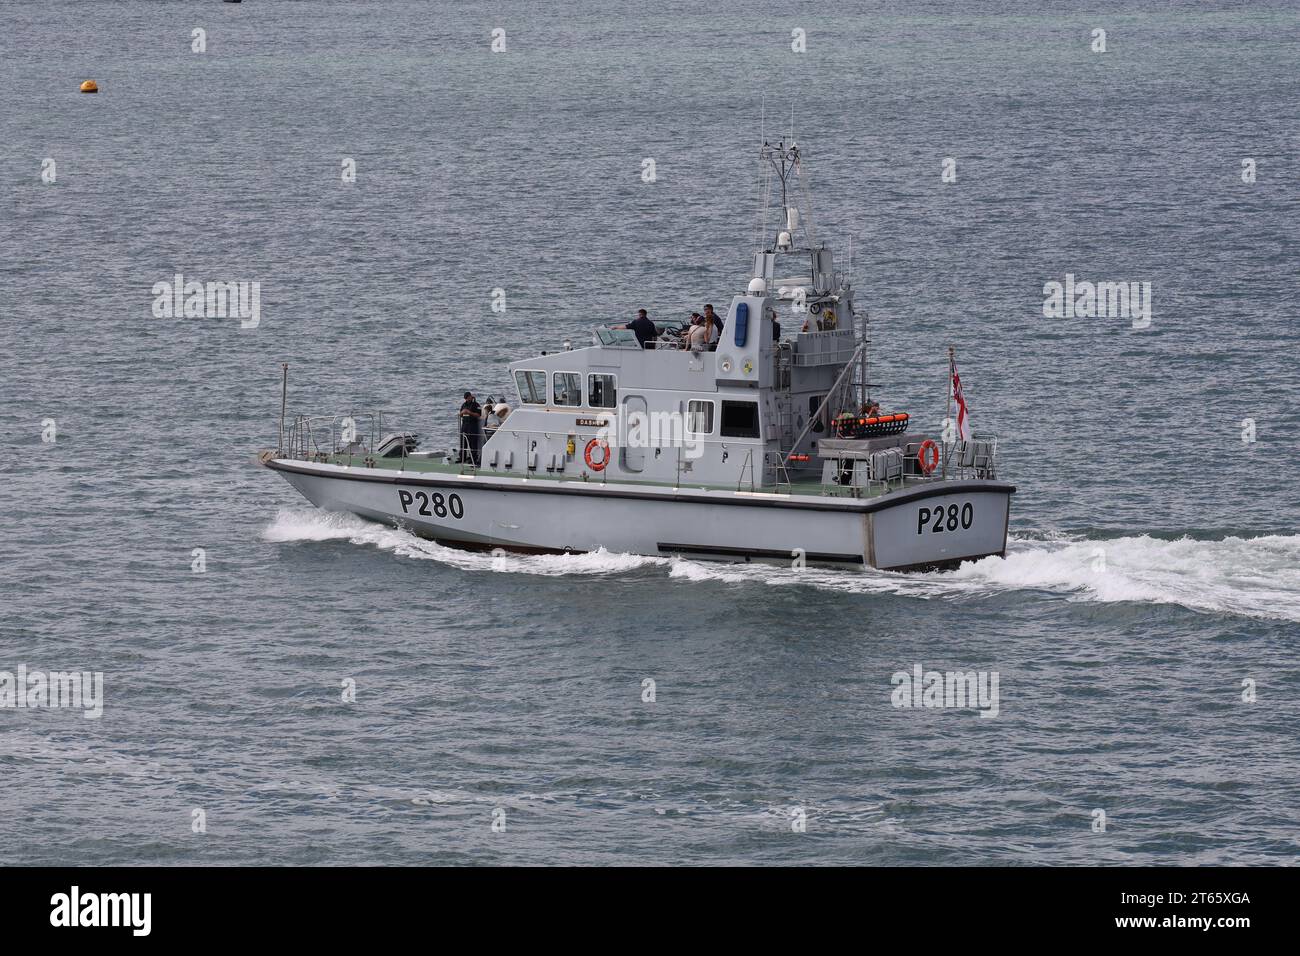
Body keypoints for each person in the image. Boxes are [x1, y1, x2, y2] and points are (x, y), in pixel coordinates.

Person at [458, 391, 483, 465]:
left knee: (473, 443)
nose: (468, 399)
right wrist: (462, 412)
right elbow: (460, 414)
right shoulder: (463, 405)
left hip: (472, 425)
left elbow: (479, 414)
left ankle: (473, 458)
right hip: (464, 425)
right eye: (466, 398)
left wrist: (469, 412)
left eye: (469, 397)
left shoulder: (476, 405)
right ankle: (462, 457)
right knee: (463, 442)